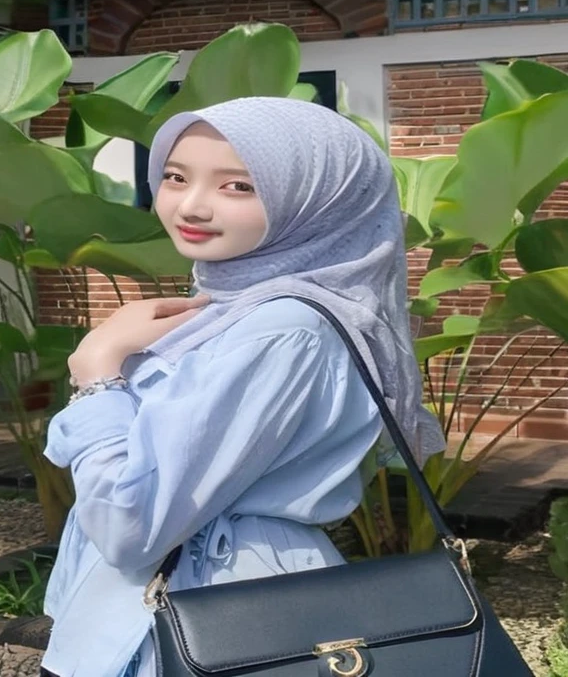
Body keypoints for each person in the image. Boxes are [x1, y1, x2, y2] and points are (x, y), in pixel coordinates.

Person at [39, 97, 446, 677]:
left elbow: (132, 525)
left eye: (238, 187)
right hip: (182, 593)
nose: (192, 205)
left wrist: (97, 373)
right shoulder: (231, 307)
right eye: (176, 177)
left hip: (211, 607)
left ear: (314, 203)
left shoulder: (282, 328)